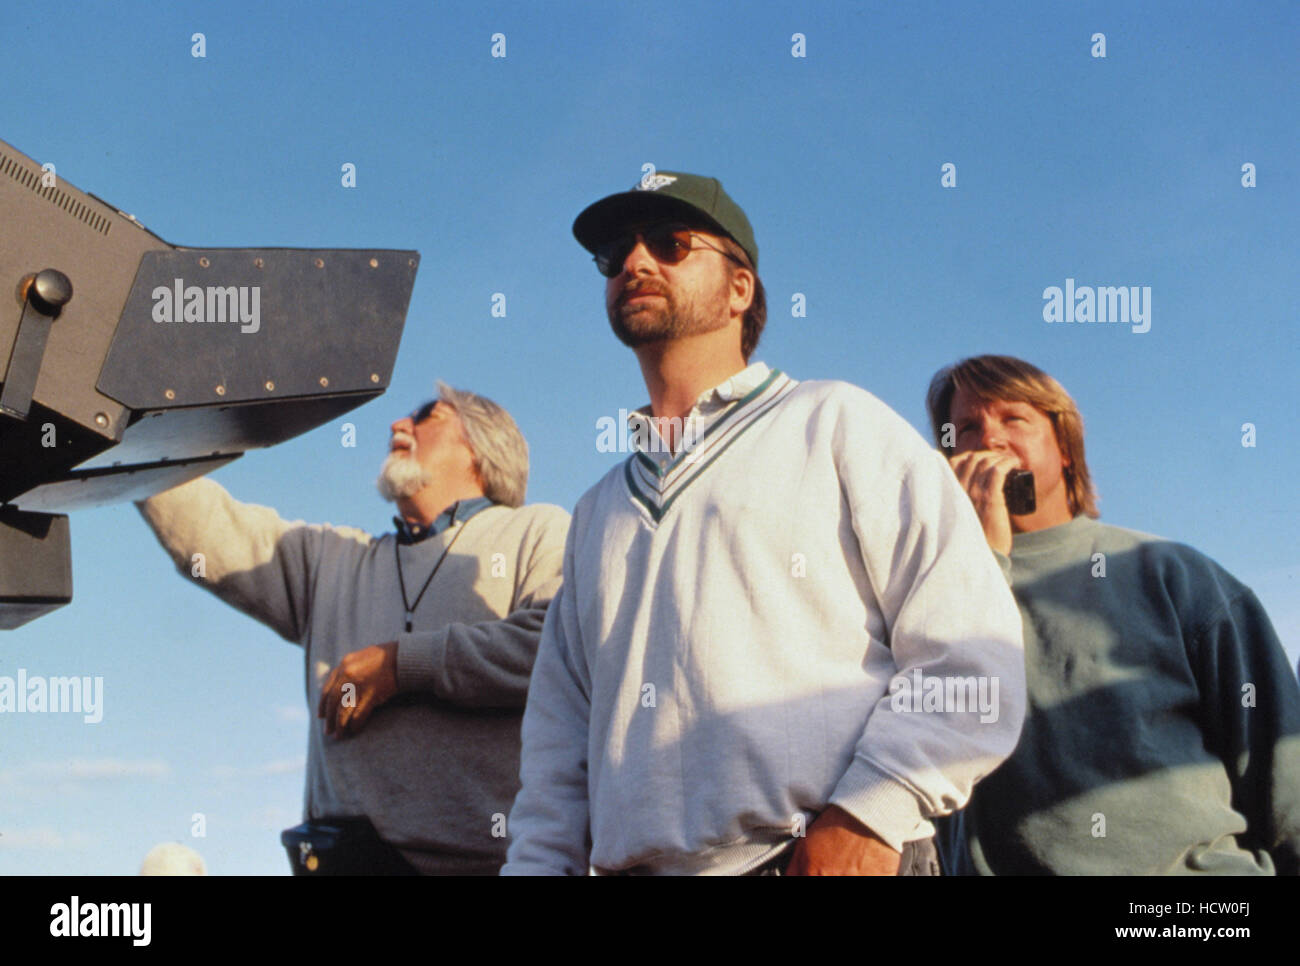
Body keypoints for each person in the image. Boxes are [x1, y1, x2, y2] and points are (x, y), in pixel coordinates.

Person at [502, 171, 1026, 876]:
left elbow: (972, 649)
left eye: (670, 242)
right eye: (614, 254)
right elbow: (557, 749)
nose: (634, 263)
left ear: (740, 289)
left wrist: (870, 815)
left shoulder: (835, 421)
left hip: (818, 855)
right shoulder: (598, 510)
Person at [137, 383, 569, 874]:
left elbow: (556, 649)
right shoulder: (335, 560)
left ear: (482, 451)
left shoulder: (537, 531)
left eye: (427, 415)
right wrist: (125, 435)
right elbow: (210, 531)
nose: (397, 425)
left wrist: (401, 665)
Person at [926, 354, 1300, 874]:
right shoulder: (926, 600)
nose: (988, 438)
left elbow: (1282, 770)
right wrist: (981, 562)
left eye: (1013, 418)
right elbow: (932, 732)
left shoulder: (1173, 575)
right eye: (965, 427)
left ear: (1065, 450)